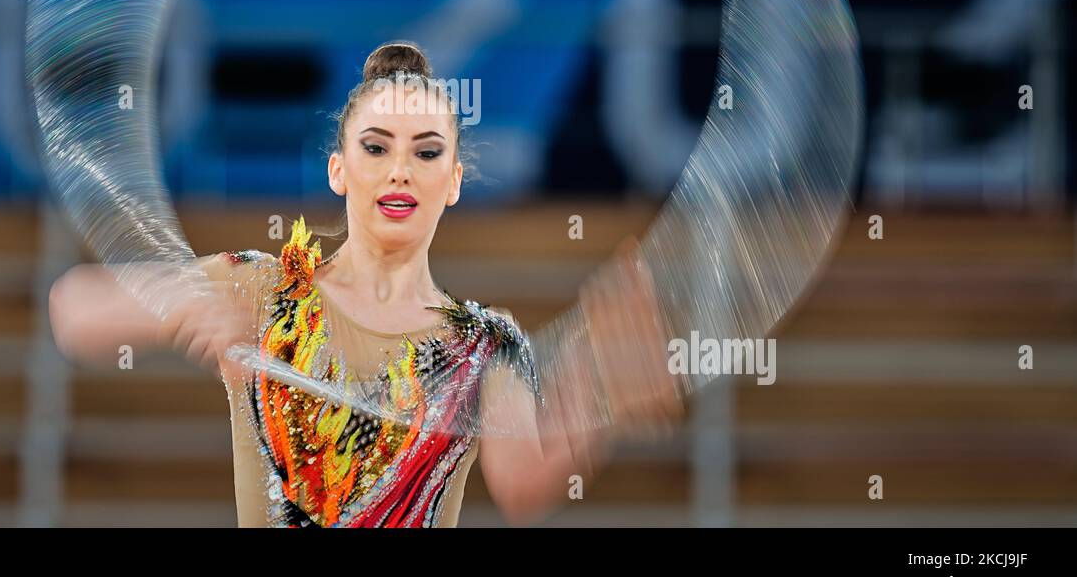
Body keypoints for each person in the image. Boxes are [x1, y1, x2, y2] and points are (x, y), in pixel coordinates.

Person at [49, 40, 682, 527]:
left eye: (426, 152)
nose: (400, 171)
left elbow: (523, 484)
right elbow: (73, 308)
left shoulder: (484, 344)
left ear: (455, 180)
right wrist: (185, 302)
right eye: (376, 148)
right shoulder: (266, 291)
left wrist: (601, 398)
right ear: (338, 169)